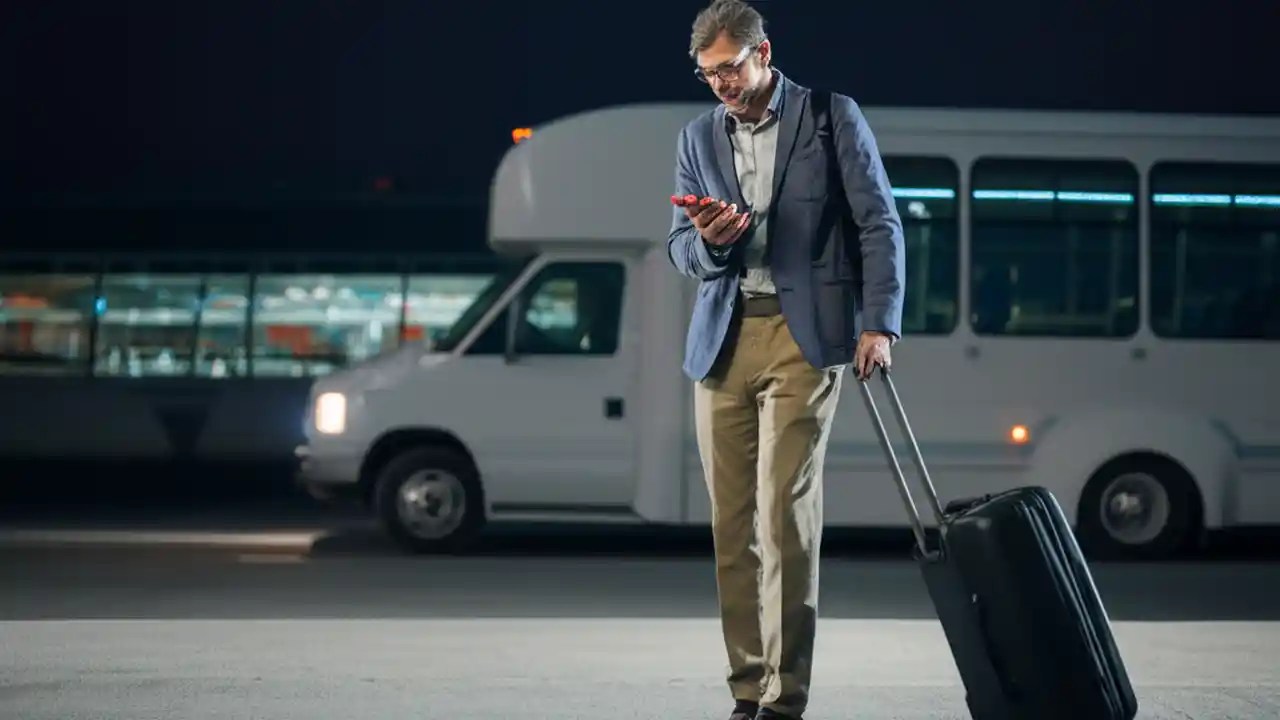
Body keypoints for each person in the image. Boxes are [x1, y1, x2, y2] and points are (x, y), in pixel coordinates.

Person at [665, 1, 906, 718]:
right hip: (723, 340)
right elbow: (680, 249)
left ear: (763, 52)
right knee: (731, 524)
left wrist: (879, 325)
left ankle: (785, 696)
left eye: (731, 68)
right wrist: (711, 239)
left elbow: (879, 223)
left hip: (806, 339)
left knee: (782, 514)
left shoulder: (831, 116)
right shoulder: (697, 135)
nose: (722, 86)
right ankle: (747, 691)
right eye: (708, 74)